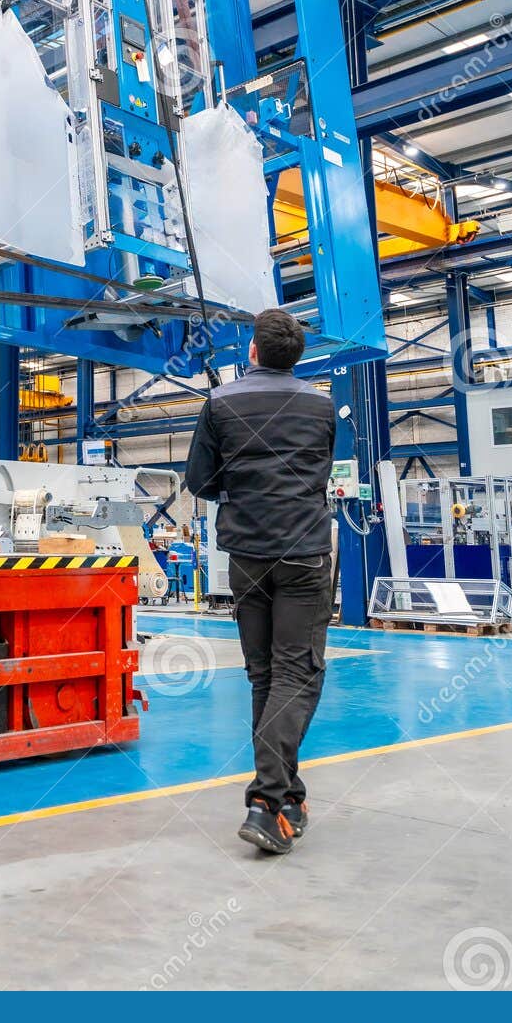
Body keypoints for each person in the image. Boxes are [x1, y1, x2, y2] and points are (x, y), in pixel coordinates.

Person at [186, 308, 336, 856]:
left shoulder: (220, 402)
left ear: (252, 352)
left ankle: (288, 796)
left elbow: (199, 481)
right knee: (297, 673)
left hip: (247, 557)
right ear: (296, 356)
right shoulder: (321, 405)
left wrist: (238, 475)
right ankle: (266, 801)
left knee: (265, 677)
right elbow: (321, 467)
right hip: (303, 554)